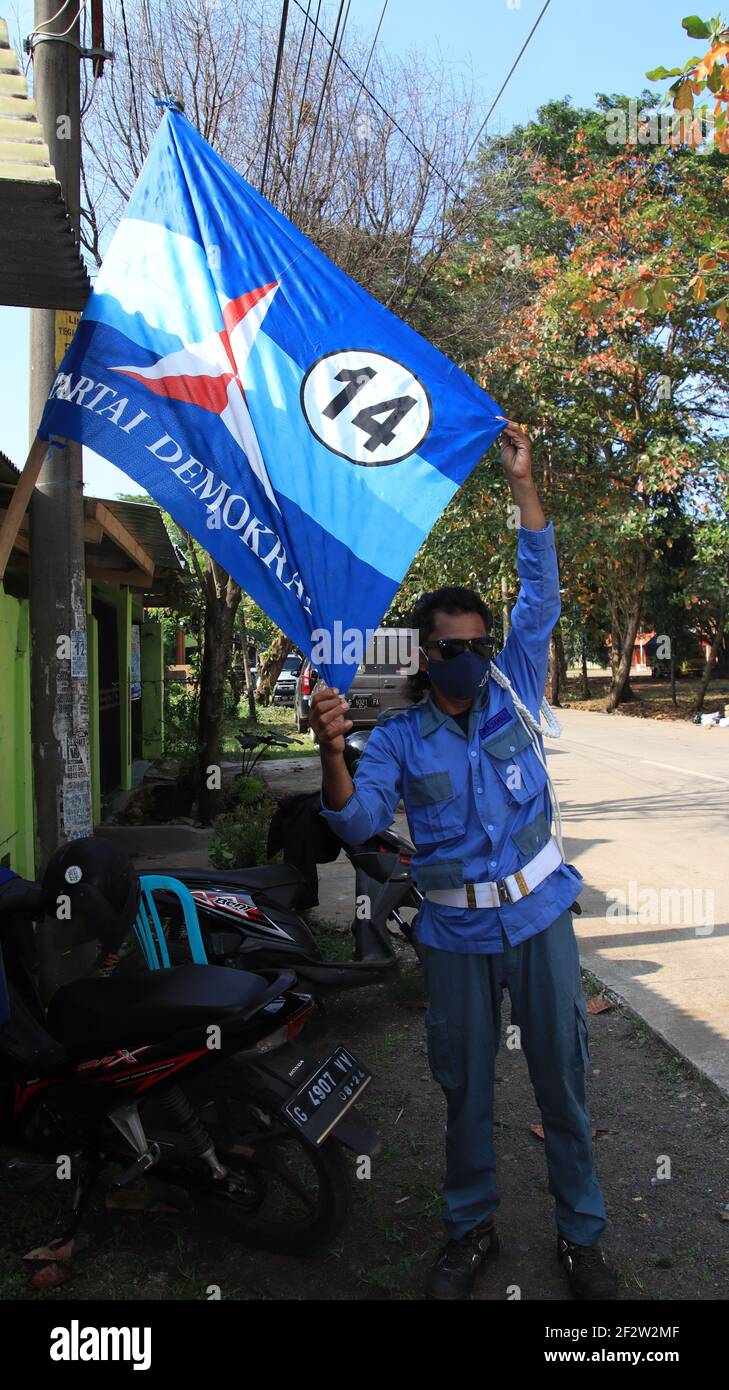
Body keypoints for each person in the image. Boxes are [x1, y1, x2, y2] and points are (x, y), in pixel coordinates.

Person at [310, 421, 618, 1302]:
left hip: (539, 918)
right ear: (423, 653)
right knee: (464, 1090)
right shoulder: (400, 738)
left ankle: (581, 1237)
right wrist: (331, 748)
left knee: (562, 1080)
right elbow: (355, 820)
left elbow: (540, 587)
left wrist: (523, 483)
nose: (467, 661)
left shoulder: (515, 687)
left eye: (476, 645)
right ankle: (469, 1230)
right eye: (449, 649)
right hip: (452, 934)